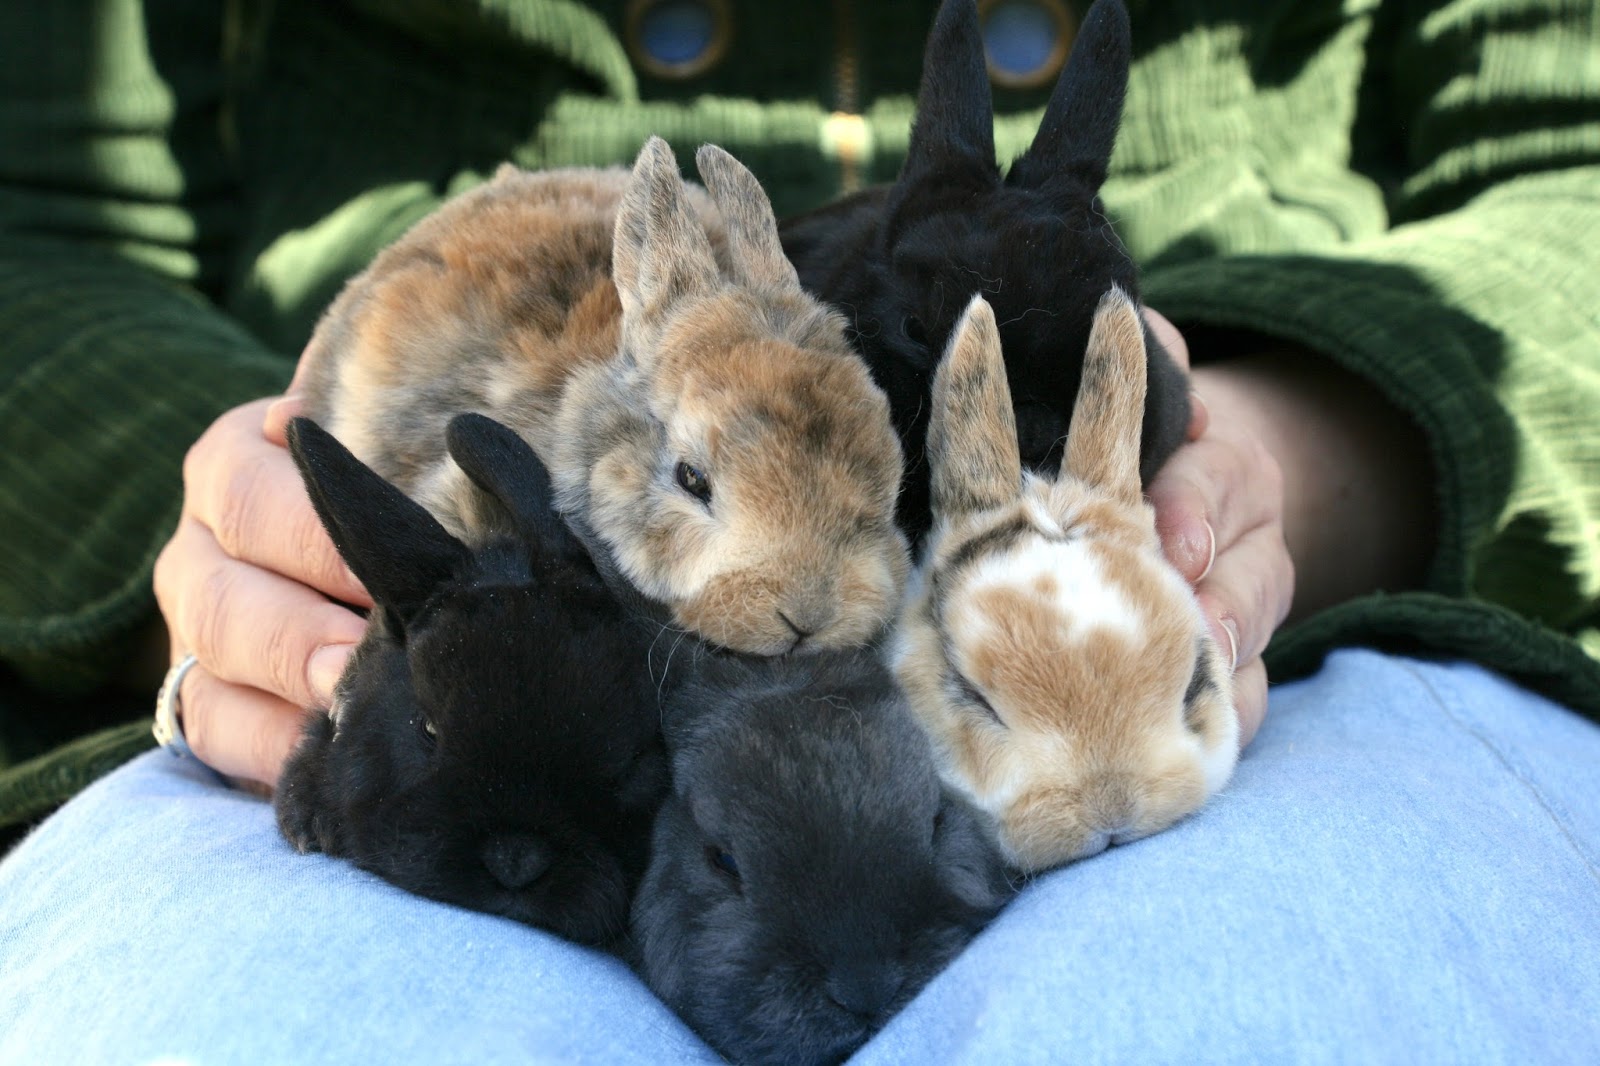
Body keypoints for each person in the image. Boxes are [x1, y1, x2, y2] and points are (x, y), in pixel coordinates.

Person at [1, 0, 1597, 1061]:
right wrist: (237, 538)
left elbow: (1564, 167)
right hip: (450, 627)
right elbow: (46, 220)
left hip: (1261, 605)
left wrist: (1301, 458)